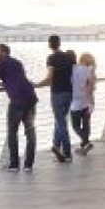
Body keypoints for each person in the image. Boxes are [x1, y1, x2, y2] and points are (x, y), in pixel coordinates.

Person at [0, 42, 39, 171]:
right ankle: (28, 165)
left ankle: (14, 164)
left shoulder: (1, 65)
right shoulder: (17, 62)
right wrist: (5, 84)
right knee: (30, 132)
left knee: (12, 133)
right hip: (31, 98)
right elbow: (18, 79)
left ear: (3, 53)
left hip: (17, 102)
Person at [43, 34, 77, 163]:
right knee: (61, 120)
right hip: (69, 92)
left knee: (61, 122)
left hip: (57, 93)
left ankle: (67, 153)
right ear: (60, 43)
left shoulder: (51, 58)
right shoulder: (68, 57)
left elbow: (49, 78)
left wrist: (37, 84)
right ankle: (56, 147)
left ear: (50, 44)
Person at [70, 51, 97, 153]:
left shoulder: (74, 68)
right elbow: (91, 88)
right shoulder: (90, 70)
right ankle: (83, 147)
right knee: (86, 125)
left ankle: (86, 142)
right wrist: (92, 102)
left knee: (75, 126)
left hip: (75, 102)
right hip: (87, 102)